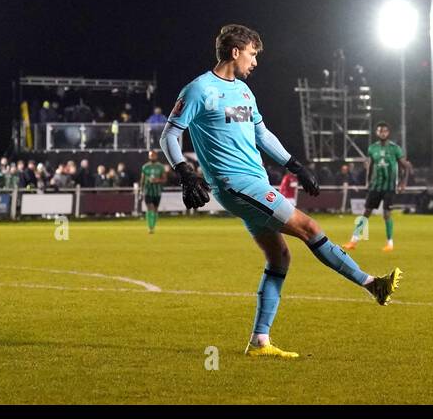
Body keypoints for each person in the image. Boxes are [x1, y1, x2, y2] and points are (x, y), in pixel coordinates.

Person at [159, 23, 401, 359]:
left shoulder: (244, 93)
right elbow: (169, 135)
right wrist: (184, 172)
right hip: (234, 183)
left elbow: (262, 135)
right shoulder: (199, 90)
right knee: (310, 228)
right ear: (235, 52)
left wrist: (295, 166)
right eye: (252, 54)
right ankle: (372, 283)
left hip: (255, 182)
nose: (255, 62)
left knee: (280, 257)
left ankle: (260, 341)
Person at [345, 121, 412, 252]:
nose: (383, 133)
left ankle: (390, 243)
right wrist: (368, 181)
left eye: (385, 131)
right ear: (377, 133)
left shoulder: (395, 148)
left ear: (388, 133)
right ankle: (353, 241)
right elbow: (371, 167)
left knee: (387, 214)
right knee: (366, 213)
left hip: (389, 187)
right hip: (375, 186)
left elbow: (406, 167)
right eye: (380, 131)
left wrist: (403, 182)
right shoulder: (372, 148)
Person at [139, 149, 167, 233]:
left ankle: (153, 227)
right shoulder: (145, 167)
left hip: (157, 191)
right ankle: (150, 227)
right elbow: (142, 180)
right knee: (150, 207)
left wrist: (157, 180)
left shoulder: (160, 167)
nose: (152, 157)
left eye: (153, 155)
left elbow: (165, 179)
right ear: (149, 156)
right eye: (150, 155)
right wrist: (141, 190)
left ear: (156, 156)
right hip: (148, 190)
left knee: (155, 209)